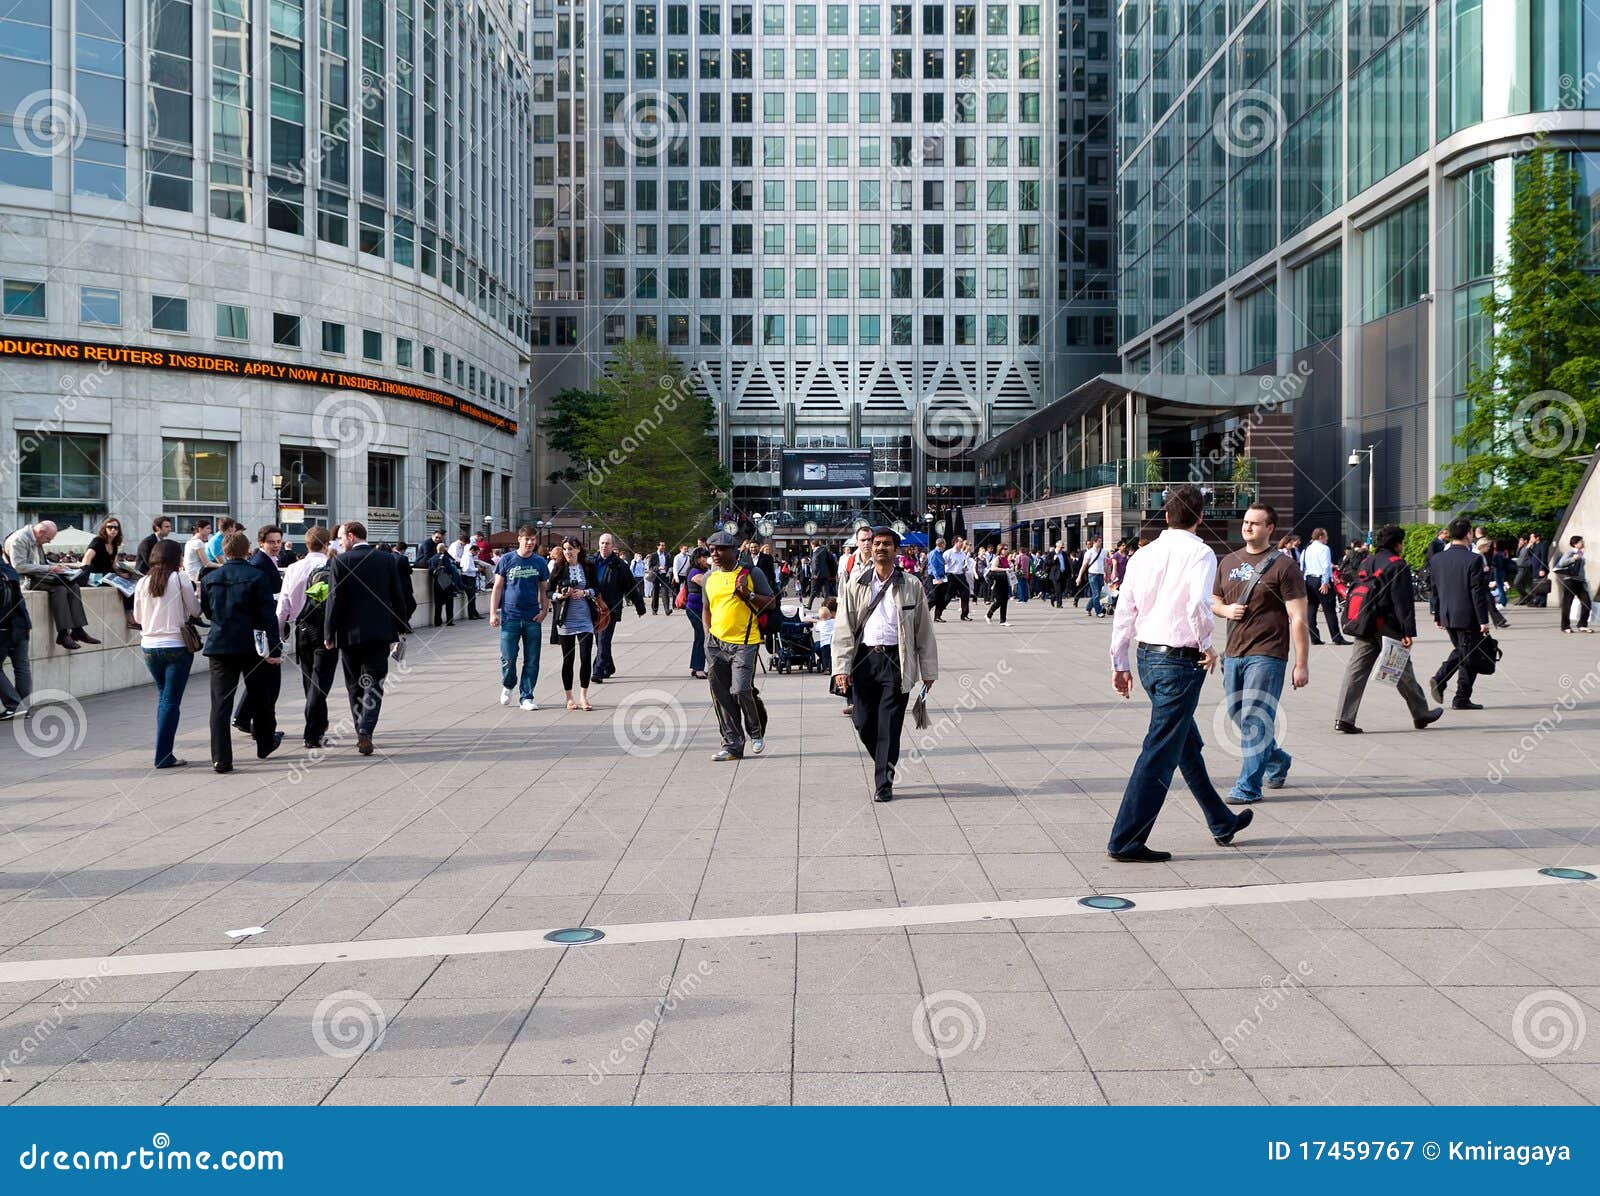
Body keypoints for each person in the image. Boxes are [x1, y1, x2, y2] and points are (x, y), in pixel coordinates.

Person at [1104, 486, 1255, 862]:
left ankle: (1221, 820)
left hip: (1147, 656)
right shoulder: (1200, 552)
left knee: (1184, 742)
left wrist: (1119, 662)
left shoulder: (1144, 553)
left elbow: (1126, 608)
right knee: (1160, 749)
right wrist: (1206, 644)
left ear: (1166, 516)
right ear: (1200, 518)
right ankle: (1126, 839)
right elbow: (1197, 604)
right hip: (1179, 659)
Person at [831, 527, 939, 802]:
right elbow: (843, 627)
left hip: (897, 661)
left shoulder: (911, 584)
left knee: (889, 726)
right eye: (877, 543)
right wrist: (840, 668)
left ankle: (883, 783)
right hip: (865, 660)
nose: (880, 548)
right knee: (863, 722)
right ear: (870, 548)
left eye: (887, 544)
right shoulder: (857, 582)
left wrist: (928, 670)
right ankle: (883, 759)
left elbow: (923, 629)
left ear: (895, 550)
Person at [1212, 503, 1310, 805]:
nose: (1248, 527)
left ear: (1270, 528)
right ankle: (1276, 760)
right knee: (1236, 713)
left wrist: (1301, 664)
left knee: (1256, 717)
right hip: (1233, 652)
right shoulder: (1228, 561)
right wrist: (1225, 609)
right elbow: (1214, 599)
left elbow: (1298, 618)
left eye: (1255, 523)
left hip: (1268, 653)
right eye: (1246, 522)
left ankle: (1247, 787)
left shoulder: (1284, 566)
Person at [1333, 524, 1443, 733]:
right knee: (1401, 669)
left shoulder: (1367, 561)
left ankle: (1343, 718)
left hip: (1364, 624)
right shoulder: (1397, 564)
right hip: (1387, 627)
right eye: (1402, 542)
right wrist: (1407, 631)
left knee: (1355, 670)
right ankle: (1421, 714)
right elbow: (1402, 602)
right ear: (1397, 544)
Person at [323, 521, 415, 755]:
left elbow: (334, 601)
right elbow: (398, 595)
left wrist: (329, 633)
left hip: (348, 635)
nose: (340, 542)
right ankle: (367, 728)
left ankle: (359, 729)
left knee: (354, 685)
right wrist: (402, 626)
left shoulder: (339, 561)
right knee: (375, 682)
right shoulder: (386, 560)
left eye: (342, 537)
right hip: (379, 633)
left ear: (352, 537)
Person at [200, 530, 283, 771]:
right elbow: (268, 617)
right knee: (261, 697)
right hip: (252, 646)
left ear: (223, 552)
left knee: (220, 704)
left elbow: (208, 612)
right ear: (248, 551)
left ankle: (221, 758)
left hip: (220, 646)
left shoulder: (209, 579)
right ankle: (265, 743)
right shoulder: (257, 577)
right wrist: (274, 649)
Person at [702, 529, 775, 760]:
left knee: (742, 689)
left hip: (745, 642)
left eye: (721, 549)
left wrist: (749, 594)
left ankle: (756, 730)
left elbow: (771, 603)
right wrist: (707, 636)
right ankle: (732, 744)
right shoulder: (709, 577)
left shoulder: (751, 573)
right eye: (712, 550)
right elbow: (706, 608)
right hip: (715, 644)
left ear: (734, 550)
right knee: (721, 694)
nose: (715, 553)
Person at [133, 539, 200, 768]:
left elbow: (139, 618)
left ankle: (164, 753)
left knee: (164, 698)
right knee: (170, 701)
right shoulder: (180, 579)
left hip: (149, 647)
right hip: (176, 646)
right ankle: (163, 755)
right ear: (176, 558)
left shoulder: (142, 582)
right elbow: (195, 610)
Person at [277, 525, 337, 749]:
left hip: (302, 628)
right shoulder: (330, 566)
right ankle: (312, 733)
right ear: (326, 544)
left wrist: (280, 629)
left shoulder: (293, 567)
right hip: (325, 628)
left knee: (309, 680)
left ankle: (319, 724)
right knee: (321, 682)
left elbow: (283, 604)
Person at [1428, 517, 1493, 712]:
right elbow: (1477, 593)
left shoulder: (1438, 559)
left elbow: (1435, 589)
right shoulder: (1473, 559)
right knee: (1467, 653)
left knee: (1467, 654)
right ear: (1468, 534)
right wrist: (1483, 620)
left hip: (1448, 615)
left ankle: (1462, 697)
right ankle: (1441, 679)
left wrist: (1437, 614)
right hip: (1468, 616)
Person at [3, 521, 100, 651]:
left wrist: (58, 566)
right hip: (25, 580)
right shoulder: (19, 540)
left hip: (40, 577)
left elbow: (40, 562)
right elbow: (19, 567)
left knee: (74, 586)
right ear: (40, 532)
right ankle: (63, 633)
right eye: (48, 538)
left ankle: (78, 629)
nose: (48, 542)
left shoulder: (36, 539)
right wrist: (49, 568)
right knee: (59, 589)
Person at [490, 524, 551, 710]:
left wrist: (543, 611)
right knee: (508, 657)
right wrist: (493, 612)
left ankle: (527, 697)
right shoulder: (507, 560)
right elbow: (498, 587)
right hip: (510, 617)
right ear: (519, 539)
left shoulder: (540, 562)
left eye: (533, 539)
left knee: (532, 659)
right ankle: (508, 684)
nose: (531, 543)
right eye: (527, 539)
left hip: (532, 617)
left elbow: (544, 589)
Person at [233, 526, 285, 736]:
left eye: (278, 541)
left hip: (264, 628)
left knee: (261, 680)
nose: (276, 546)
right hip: (262, 631)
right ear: (261, 542)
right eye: (271, 542)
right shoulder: (259, 564)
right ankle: (259, 727)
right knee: (267, 682)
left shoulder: (267, 562)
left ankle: (244, 718)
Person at [549, 537, 599, 711]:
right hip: (565, 620)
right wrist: (560, 596)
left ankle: (584, 697)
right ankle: (569, 698)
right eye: (565, 549)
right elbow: (549, 591)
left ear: (578, 549)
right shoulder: (559, 567)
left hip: (585, 619)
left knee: (586, 658)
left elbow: (597, 589)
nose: (568, 552)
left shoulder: (588, 567)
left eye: (571, 548)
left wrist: (585, 592)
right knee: (568, 660)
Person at [81, 516, 139, 629]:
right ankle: (130, 619)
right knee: (125, 587)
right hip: (95, 576)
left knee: (132, 585)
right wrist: (87, 576)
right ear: (104, 529)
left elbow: (113, 565)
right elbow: (86, 559)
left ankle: (133, 616)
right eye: (110, 527)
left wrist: (122, 574)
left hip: (108, 575)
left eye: (116, 528)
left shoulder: (115, 545)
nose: (113, 530)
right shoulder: (98, 541)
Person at [590, 533, 633, 683]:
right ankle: (609, 666)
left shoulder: (620, 565)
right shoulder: (591, 562)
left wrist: (640, 606)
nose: (604, 546)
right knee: (600, 640)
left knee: (603, 639)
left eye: (607, 543)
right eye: (602, 543)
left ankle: (598, 671)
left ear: (613, 546)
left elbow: (630, 585)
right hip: (594, 607)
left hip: (611, 608)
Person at [1300, 527, 1349, 645]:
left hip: (1309, 580)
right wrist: (1325, 582)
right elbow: (1326, 566)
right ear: (1321, 537)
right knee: (1329, 610)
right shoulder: (1324, 548)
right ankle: (1337, 637)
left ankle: (1314, 637)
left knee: (1311, 608)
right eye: (1326, 536)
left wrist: (1304, 580)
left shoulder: (1306, 549)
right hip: (1321, 579)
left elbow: (1302, 565)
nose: (1327, 538)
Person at [0, 548, 32, 721]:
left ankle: (14, 706)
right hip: (22, 624)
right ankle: (24, 708)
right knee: (22, 667)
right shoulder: (10, 570)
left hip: (4, 627)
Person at [1554, 535, 1592, 633]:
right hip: (1570, 580)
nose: (1583, 543)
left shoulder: (1581, 553)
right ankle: (1565, 626)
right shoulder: (1570, 552)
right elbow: (1562, 563)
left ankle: (1582, 625)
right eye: (1581, 542)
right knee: (1567, 604)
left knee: (1587, 603)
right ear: (1575, 544)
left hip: (1580, 581)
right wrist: (1573, 559)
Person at [684, 545, 711, 679]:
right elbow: (708, 583)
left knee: (699, 638)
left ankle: (696, 666)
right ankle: (699, 668)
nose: (707, 559)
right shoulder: (695, 571)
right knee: (702, 637)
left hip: (699, 608)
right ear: (698, 559)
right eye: (705, 557)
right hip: (695, 608)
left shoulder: (702, 570)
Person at [1476, 538, 1510, 630]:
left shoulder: (1481, 555)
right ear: (1482, 546)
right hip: (1479, 583)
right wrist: (1485, 569)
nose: (1489, 548)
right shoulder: (1477, 555)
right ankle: (1498, 621)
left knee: (1489, 601)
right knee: (1488, 601)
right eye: (1487, 546)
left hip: (1483, 582)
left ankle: (1499, 620)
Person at [452, 532, 484, 620]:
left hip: (471, 578)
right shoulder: (467, 557)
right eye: (476, 552)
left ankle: (474, 613)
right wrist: (477, 569)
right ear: (473, 550)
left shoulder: (469, 557)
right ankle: (471, 615)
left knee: (472, 597)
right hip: (468, 578)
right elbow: (466, 569)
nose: (476, 554)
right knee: (471, 597)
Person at [940, 538, 972, 621]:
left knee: (965, 594)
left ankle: (964, 615)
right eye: (960, 542)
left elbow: (964, 564)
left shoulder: (962, 553)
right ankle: (938, 614)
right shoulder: (948, 552)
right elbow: (942, 563)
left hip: (961, 575)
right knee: (948, 596)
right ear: (955, 542)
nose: (962, 543)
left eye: (962, 542)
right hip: (951, 575)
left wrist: (965, 568)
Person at [428, 545, 460, 626]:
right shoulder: (445, 558)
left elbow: (430, 571)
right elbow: (449, 569)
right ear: (444, 549)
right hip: (445, 581)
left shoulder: (432, 559)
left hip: (436, 582)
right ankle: (449, 621)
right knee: (449, 602)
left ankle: (437, 621)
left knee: (438, 603)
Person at [1515, 532, 1549, 606]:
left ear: (1537, 538)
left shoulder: (1543, 544)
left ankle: (1542, 602)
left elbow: (1544, 557)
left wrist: (1542, 568)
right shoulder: (1534, 546)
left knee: (1542, 584)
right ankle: (1537, 601)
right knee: (1536, 584)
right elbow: (1529, 556)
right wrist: (1528, 548)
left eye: (1532, 537)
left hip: (1540, 567)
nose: (1530, 539)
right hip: (1534, 568)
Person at [1079, 536, 1107, 618]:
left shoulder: (1103, 551)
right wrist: (1079, 576)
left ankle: (1088, 608)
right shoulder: (1089, 552)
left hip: (1101, 574)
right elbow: (1084, 565)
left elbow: (1105, 564)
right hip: (1092, 575)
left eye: (1101, 541)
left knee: (1097, 594)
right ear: (1094, 542)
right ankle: (1098, 611)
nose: (1101, 543)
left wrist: (1107, 575)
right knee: (1096, 593)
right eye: (1099, 541)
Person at [985, 546, 1012, 625]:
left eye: (1007, 549)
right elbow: (993, 568)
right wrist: (1005, 569)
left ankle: (1003, 620)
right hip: (998, 581)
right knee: (999, 601)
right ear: (1000, 550)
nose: (1007, 550)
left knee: (1005, 601)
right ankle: (988, 615)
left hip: (1005, 581)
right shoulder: (997, 558)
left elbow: (1008, 569)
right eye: (1005, 549)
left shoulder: (1005, 558)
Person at [808, 539, 837, 606]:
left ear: (813, 545)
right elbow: (831, 560)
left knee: (813, 590)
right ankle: (827, 606)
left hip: (817, 575)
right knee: (826, 592)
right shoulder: (824, 550)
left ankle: (809, 605)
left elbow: (816, 563)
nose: (811, 547)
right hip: (825, 574)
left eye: (811, 545)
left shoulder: (816, 551)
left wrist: (815, 574)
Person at [183, 519, 213, 585]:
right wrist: (223, 565)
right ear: (200, 529)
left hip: (190, 574)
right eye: (208, 528)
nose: (210, 531)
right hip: (196, 574)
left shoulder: (189, 542)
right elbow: (207, 564)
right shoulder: (198, 543)